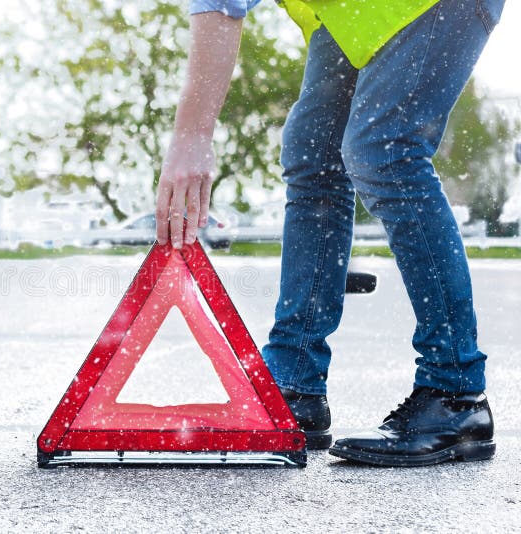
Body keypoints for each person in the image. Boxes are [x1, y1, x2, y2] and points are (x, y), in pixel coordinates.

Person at [155, 0, 504, 466]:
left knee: (384, 147)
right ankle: (295, 384)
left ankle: (456, 393)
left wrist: (192, 136)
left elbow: (221, 4)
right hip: (361, 11)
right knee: (314, 153)